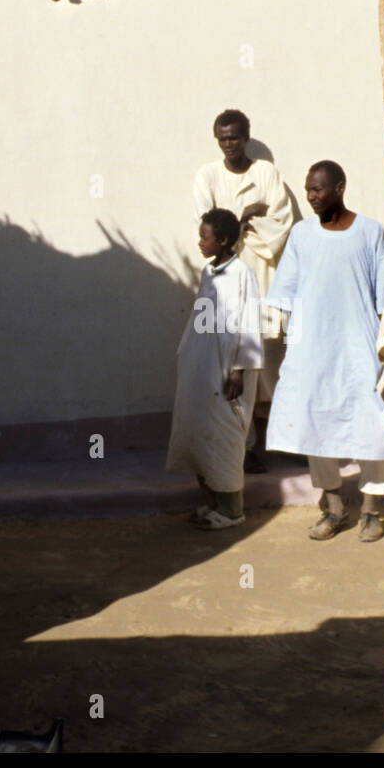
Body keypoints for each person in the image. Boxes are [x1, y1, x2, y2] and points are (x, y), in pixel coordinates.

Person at [265, 161, 384, 542]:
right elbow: (285, 293)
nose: (310, 195)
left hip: (358, 345)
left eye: (318, 189)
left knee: (369, 424)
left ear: (339, 187)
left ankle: (372, 509)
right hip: (312, 347)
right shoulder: (302, 234)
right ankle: (334, 505)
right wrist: (293, 345)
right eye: (308, 189)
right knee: (314, 421)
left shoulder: (370, 231)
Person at [193, 109, 296, 472]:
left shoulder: (266, 173)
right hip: (230, 280)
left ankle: (278, 440)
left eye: (234, 137)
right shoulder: (207, 176)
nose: (228, 144)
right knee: (232, 361)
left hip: (265, 277)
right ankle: (244, 444)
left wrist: (240, 221)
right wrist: (248, 212)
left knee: (269, 361)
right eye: (222, 138)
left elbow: (280, 224)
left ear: (246, 137)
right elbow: (210, 228)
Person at [166, 207, 263, 530]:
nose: (200, 242)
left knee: (226, 435)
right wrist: (189, 354)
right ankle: (214, 503)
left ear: (223, 240)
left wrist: (238, 369)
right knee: (201, 433)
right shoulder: (210, 273)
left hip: (229, 370)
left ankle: (233, 510)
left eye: (205, 237)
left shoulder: (243, 274)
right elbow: (203, 320)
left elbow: (248, 324)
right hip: (203, 368)